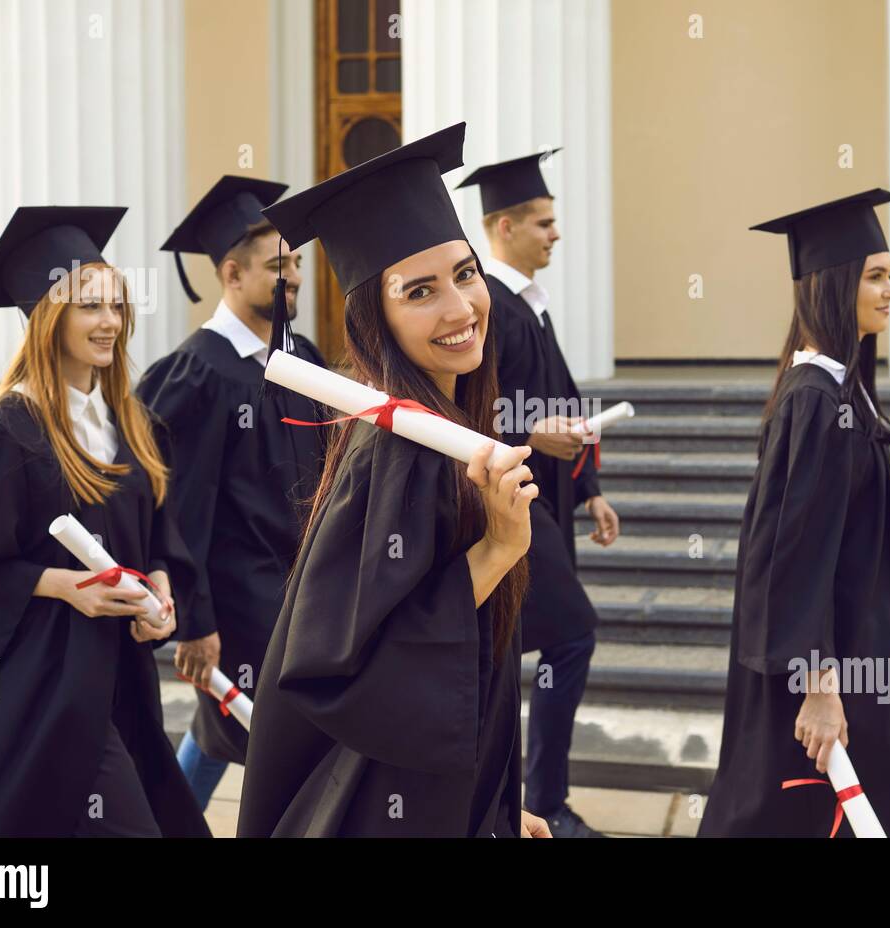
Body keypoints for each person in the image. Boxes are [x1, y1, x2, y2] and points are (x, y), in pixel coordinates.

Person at [237, 123, 550, 837]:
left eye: (465, 274)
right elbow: (353, 665)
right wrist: (498, 549)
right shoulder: (400, 451)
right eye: (419, 292)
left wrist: (496, 808)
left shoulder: (443, 427)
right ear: (376, 317)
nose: (459, 308)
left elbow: (462, 659)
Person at [0, 206, 209, 837]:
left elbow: (155, 538)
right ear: (48, 318)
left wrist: (160, 587)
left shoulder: (133, 425)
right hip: (33, 689)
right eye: (89, 307)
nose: (110, 323)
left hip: (116, 684)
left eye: (117, 306)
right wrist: (60, 584)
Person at [699, 190, 890, 838]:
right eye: (876, 276)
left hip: (856, 665)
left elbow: (848, 548)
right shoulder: (815, 400)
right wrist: (818, 687)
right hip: (832, 676)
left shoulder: (837, 391)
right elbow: (792, 556)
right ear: (833, 284)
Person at [137, 176, 330, 810]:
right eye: (279, 266)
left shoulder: (301, 357)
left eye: (298, 262)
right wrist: (196, 621)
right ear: (232, 274)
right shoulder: (201, 372)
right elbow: (178, 510)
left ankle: (169, 823)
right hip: (241, 604)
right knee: (271, 744)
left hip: (304, 591)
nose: (294, 276)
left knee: (227, 734)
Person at [455, 150, 619, 837]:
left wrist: (590, 491)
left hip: (547, 501)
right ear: (503, 225)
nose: (556, 234)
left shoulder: (531, 309)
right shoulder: (488, 309)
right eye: (544, 223)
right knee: (568, 637)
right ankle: (539, 798)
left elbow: (555, 404)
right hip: (510, 506)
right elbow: (475, 412)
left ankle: (519, 801)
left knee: (541, 643)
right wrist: (534, 432)